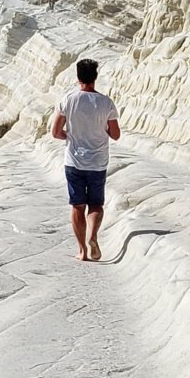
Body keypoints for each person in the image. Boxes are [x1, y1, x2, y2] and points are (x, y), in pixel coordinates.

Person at [50, 58, 120, 261]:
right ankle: (93, 235)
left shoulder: (68, 99)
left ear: (78, 77)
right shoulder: (106, 102)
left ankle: (82, 251)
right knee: (96, 205)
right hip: (98, 162)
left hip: (73, 161)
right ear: (95, 77)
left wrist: (70, 136)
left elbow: (55, 132)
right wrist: (101, 129)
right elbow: (115, 135)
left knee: (77, 206)